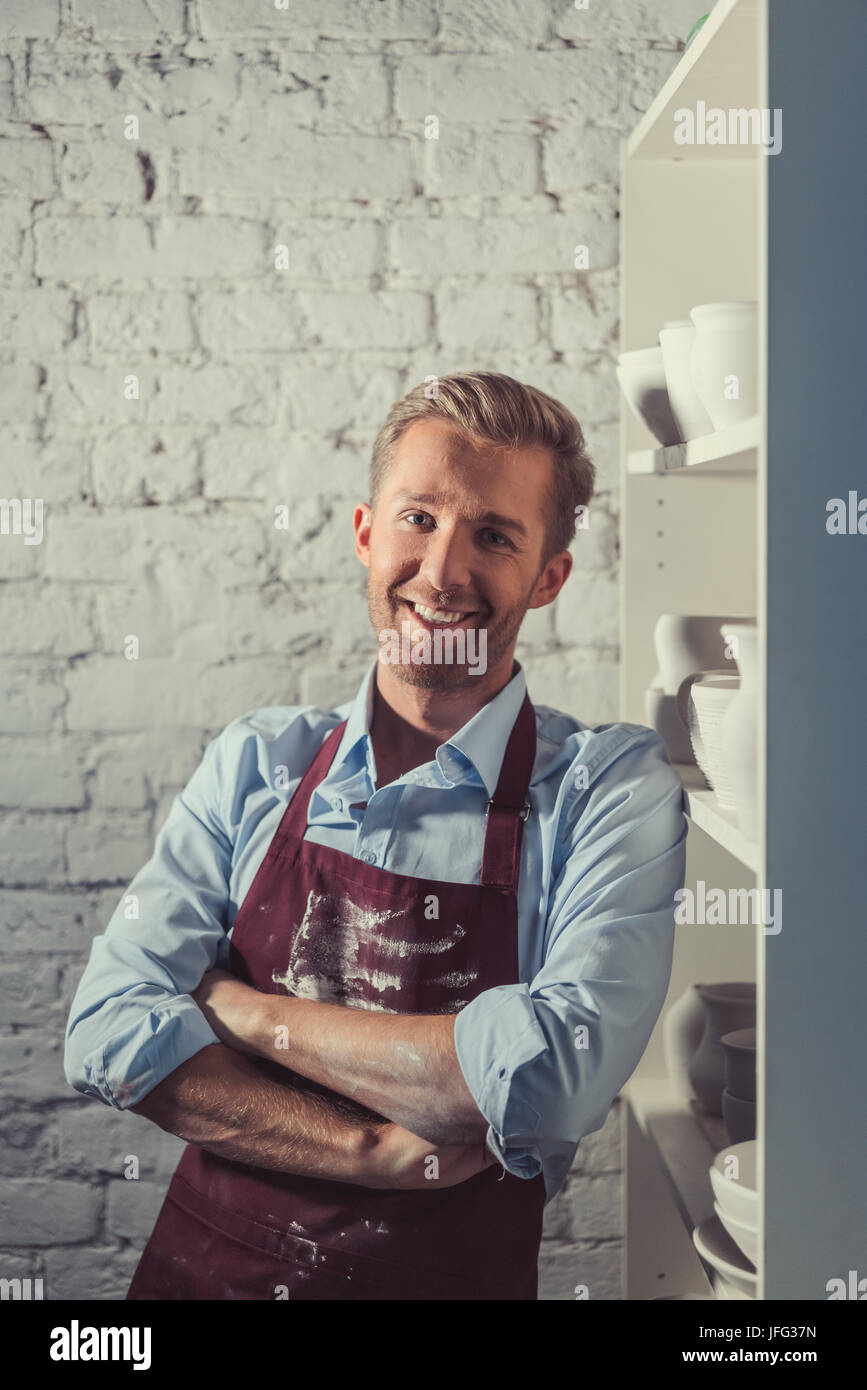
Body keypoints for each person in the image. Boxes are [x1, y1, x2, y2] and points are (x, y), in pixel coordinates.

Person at [64, 371, 687, 1301]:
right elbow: (108, 1033)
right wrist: (375, 1152)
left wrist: (237, 1011)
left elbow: (545, 1081)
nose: (442, 573)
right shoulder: (256, 764)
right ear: (365, 534)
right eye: (418, 518)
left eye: (494, 536)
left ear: (549, 576)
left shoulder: (604, 791)